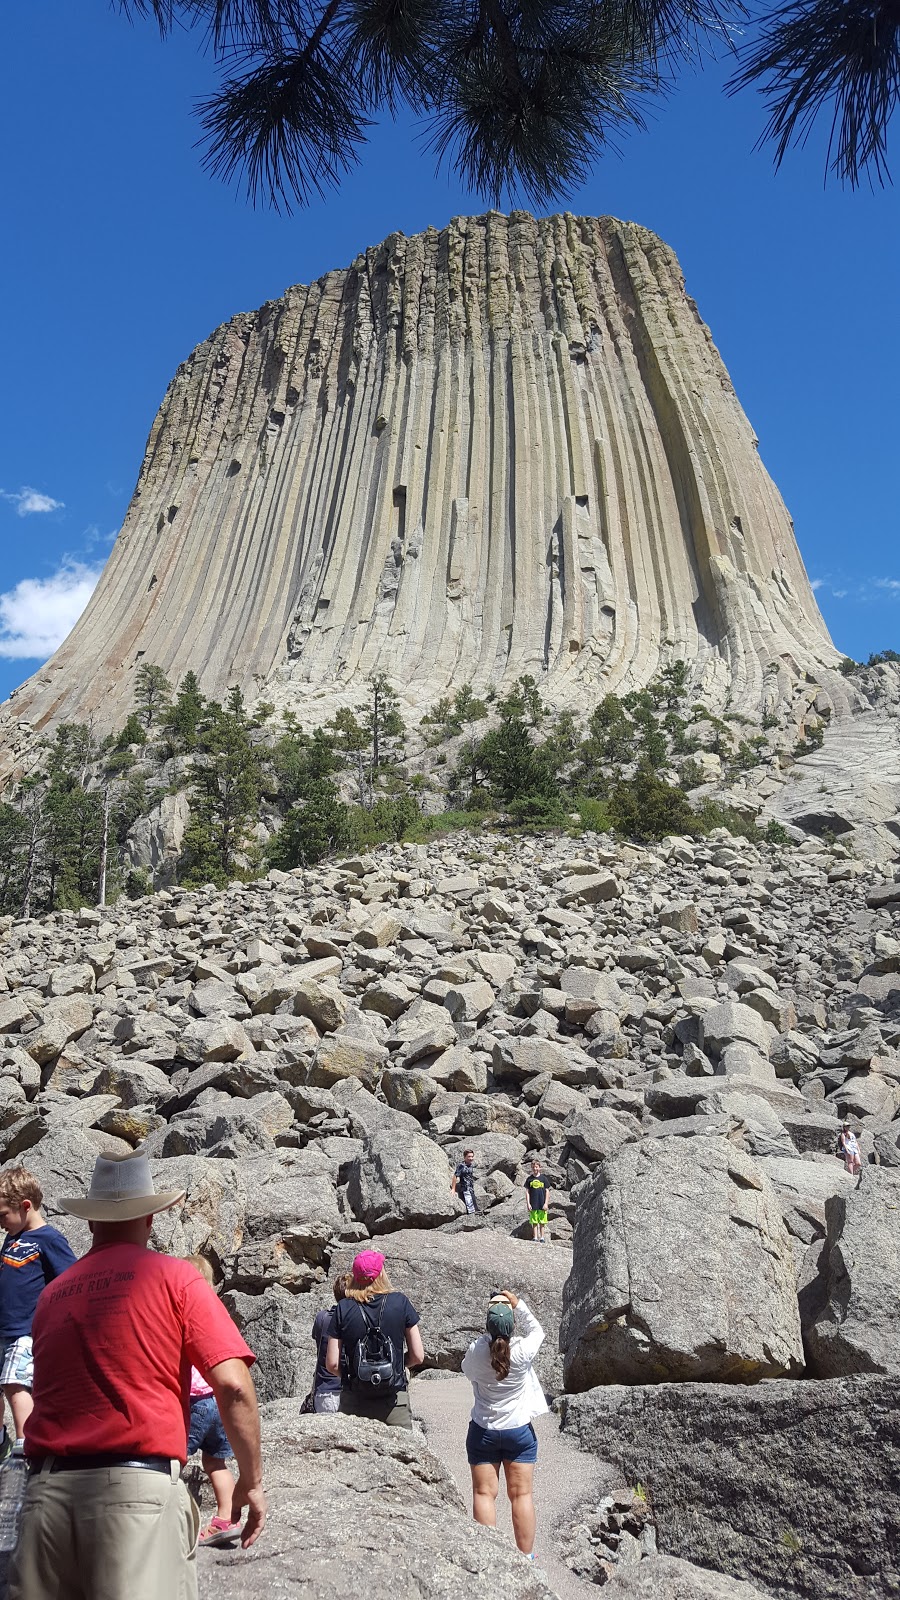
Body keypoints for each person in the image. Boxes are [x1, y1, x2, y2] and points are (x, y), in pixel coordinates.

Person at [8, 1145, 266, 1600]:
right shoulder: (177, 1279)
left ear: (90, 1222)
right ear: (150, 1219)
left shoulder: (52, 1297)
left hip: (46, 1498)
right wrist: (251, 1480)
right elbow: (232, 1383)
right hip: (135, 1497)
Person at [461, 1289, 548, 1561]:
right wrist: (518, 1303)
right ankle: (527, 1560)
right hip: (518, 1432)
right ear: (511, 1325)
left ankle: (489, 1561)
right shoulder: (522, 1351)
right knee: (521, 1496)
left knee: (484, 1494)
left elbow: (467, 1370)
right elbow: (538, 1330)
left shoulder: (477, 1352)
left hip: (484, 1431)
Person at [0, 1166, 76, 1459]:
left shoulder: (49, 1239)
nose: (1, 1223)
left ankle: (25, 1442)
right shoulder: (14, 1237)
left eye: (3, 1214)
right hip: (4, 1328)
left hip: (25, 1331)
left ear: (25, 1206)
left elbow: (69, 1280)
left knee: (15, 1382)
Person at [326, 1249, 424, 1430]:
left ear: (355, 1275)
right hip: (394, 1403)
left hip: (354, 1403)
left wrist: (353, 1376)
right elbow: (418, 1356)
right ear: (381, 1274)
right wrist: (396, 1368)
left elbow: (332, 1364)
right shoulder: (400, 1302)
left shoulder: (343, 1308)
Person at [185, 1254, 241, 1547]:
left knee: (170, 1458)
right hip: (219, 1400)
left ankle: (160, 1517)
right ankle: (226, 1519)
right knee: (215, 1461)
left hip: (193, 1402)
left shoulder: (183, 1313)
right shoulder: (219, 1312)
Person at [310, 1273, 350, 1414]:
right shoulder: (355, 1321)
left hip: (323, 1392)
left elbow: (317, 1339)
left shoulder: (322, 1317)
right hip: (348, 1392)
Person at [524, 1160, 549, 1242]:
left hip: (542, 1203)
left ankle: (542, 1237)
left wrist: (546, 1203)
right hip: (533, 1203)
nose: (535, 1168)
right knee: (534, 1221)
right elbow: (527, 1192)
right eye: (533, 1167)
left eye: (536, 1167)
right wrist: (528, 1204)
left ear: (539, 1167)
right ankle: (535, 1237)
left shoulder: (543, 1178)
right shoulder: (529, 1179)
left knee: (542, 1221)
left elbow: (547, 1191)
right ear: (531, 1168)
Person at [452, 1149, 479, 1214]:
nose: (471, 1158)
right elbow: (455, 1176)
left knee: (475, 1206)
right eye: (469, 1156)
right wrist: (453, 1189)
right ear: (465, 1157)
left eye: (472, 1156)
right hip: (465, 1189)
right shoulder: (461, 1166)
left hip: (471, 1188)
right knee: (471, 1208)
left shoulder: (471, 1165)